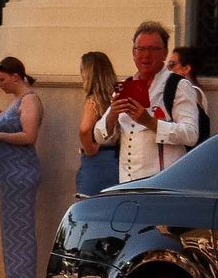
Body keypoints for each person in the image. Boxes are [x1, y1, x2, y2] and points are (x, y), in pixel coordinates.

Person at [93, 21, 199, 182]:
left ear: (164, 54)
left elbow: (191, 135)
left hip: (162, 184)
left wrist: (150, 122)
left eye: (153, 49)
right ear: (133, 53)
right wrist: (112, 114)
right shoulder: (126, 86)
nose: (146, 55)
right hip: (127, 184)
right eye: (140, 49)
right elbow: (99, 136)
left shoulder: (178, 86)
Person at [0, 56, 43, 278]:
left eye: (2, 79)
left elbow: (29, 136)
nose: (0, 84)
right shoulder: (15, 101)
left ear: (15, 77)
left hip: (21, 171)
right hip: (8, 173)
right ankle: (13, 276)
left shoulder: (30, 100)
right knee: (10, 226)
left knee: (22, 224)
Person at [75, 52, 121, 197]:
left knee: (90, 211)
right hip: (116, 159)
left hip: (97, 162)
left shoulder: (93, 100)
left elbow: (84, 129)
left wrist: (89, 149)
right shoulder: (116, 97)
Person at [167, 46, 212, 141]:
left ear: (186, 68)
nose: (168, 68)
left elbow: (200, 126)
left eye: (172, 64)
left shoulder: (194, 92)